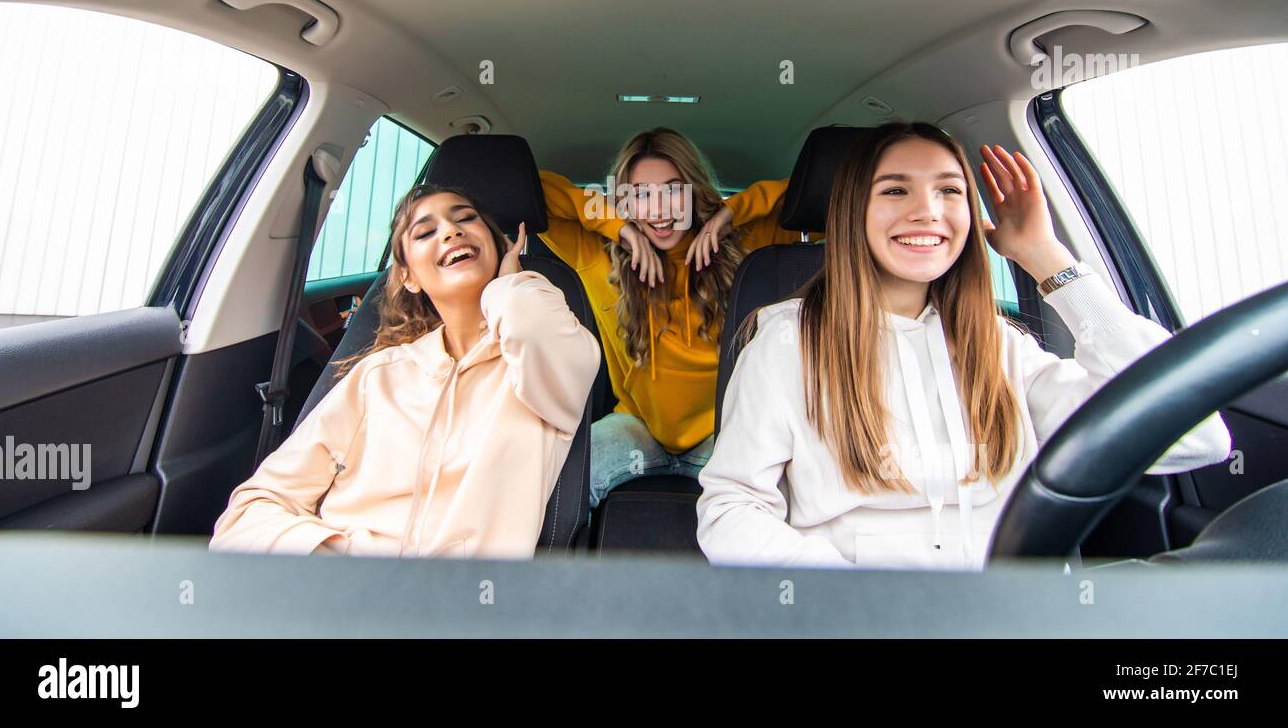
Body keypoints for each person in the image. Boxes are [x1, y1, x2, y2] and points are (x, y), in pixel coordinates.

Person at [697, 121, 1231, 569]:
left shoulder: (999, 345)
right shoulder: (787, 341)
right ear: (852, 209)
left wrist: (1046, 258)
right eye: (895, 189)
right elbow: (731, 511)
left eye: (949, 190)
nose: (927, 211)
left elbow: (1195, 438)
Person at [210, 184, 600, 558]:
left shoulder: (546, 362)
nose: (450, 230)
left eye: (465, 219)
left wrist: (511, 280)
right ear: (407, 277)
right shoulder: (376, 377)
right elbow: (250, 512)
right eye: (425, 232)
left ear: (499, 247)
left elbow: (530, 323)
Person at [538, 127, 817, 508]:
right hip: (637, 429)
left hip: (724, 432)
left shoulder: (746, 244)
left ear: (694, 192)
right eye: (640, 195)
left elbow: (815, 193)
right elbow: (530, 188)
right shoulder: (596, 251)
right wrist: (618, 230)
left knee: (792, 490)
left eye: (673, 190)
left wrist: (728, 214)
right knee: (552, 481)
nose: (659, 210)